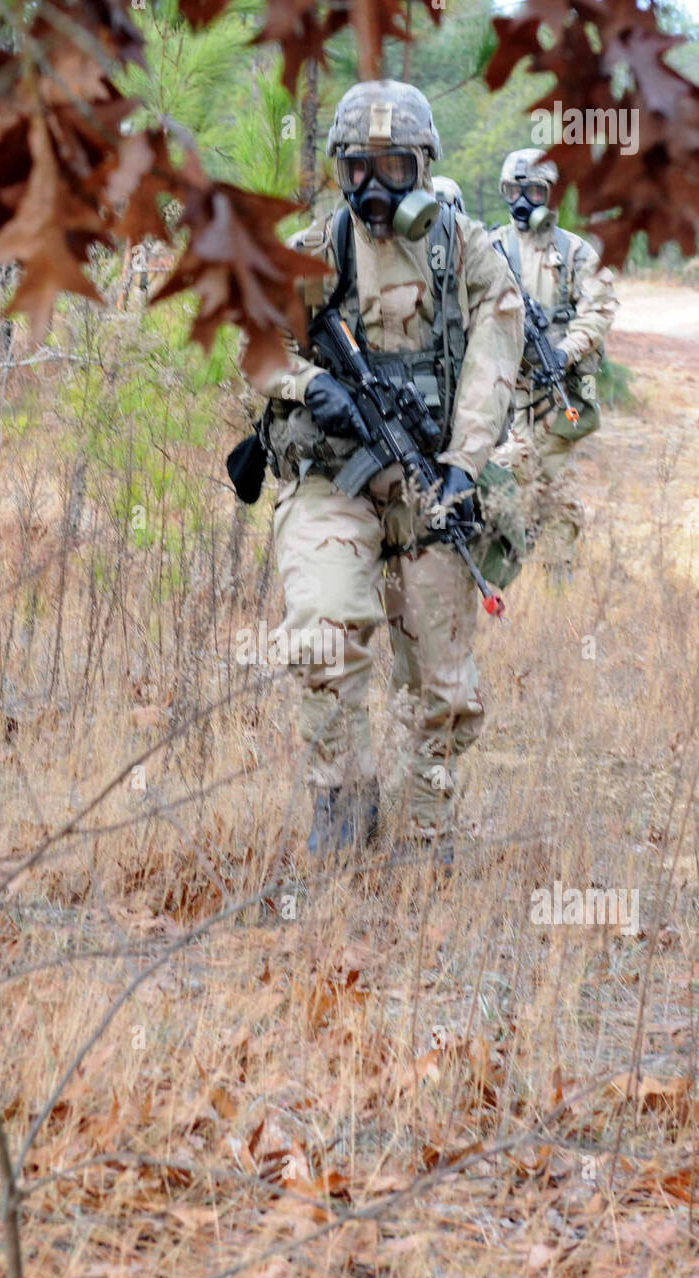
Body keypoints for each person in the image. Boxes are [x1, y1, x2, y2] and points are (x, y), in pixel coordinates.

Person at [240, 80, 524, 865]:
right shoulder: (313, 251)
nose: (373, 187)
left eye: (393, 167)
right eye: (358, 169)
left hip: (432, 481)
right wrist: (310, 385)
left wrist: (465, 468)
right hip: (335, 480)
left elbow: (492, 364)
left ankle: (429, 825)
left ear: (422, 168)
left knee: (441, 681)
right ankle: (342, 801)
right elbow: (258, 350)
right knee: (323, 633)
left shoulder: (463, 250)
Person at [489, 149, 618, 568]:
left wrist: (564, 352)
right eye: (514, 190)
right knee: (504, 476)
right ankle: (502, 569)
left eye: (534, 191)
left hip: (555, 388)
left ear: (552, 195)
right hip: (501, 388)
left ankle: (557, 582)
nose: (523, 201)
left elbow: (599, 309)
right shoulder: (489, 247)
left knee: (557, 487)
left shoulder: (576, 252)